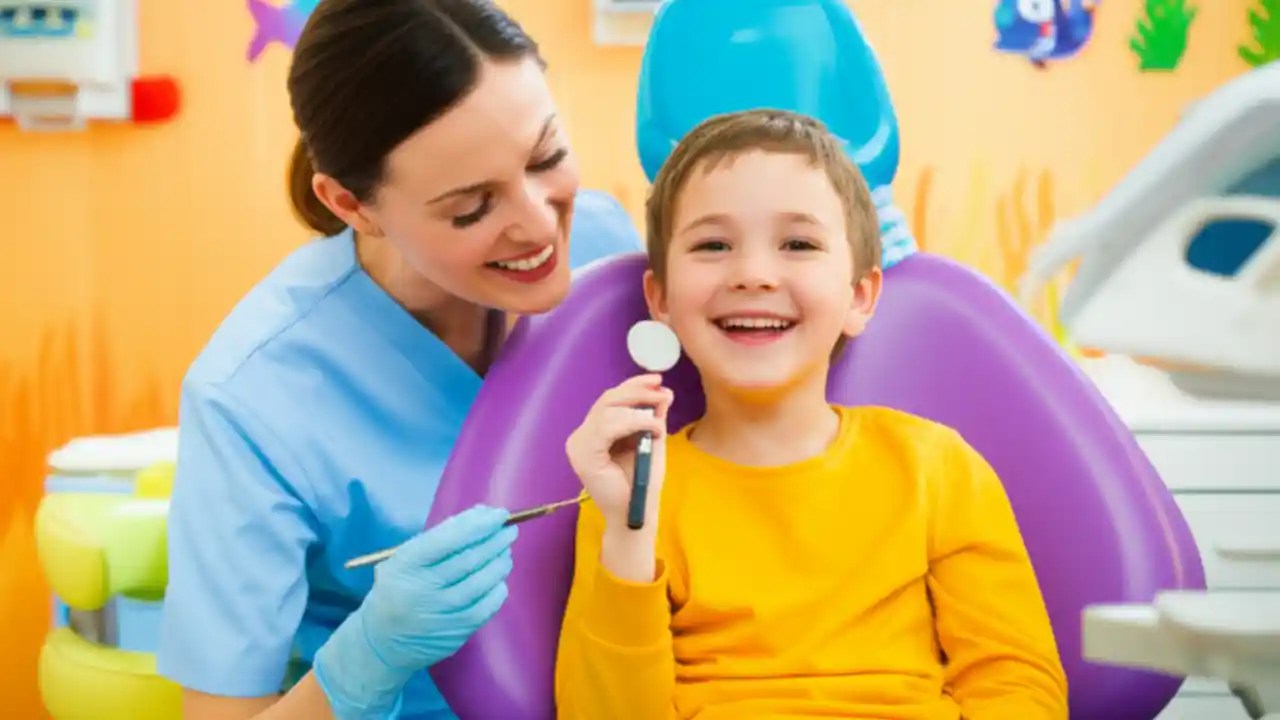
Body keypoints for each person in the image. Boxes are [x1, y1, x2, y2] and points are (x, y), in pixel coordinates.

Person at [156, 1, 637, 718]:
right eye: (472, 207)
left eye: (546, 157)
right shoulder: (252, 398)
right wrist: (367, 661)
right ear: (353, 204)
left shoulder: (608, 250)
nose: (540, 224)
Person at [555, 109, 1070, 719]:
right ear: (661, 300)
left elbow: (1017, 685)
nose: (753, 274)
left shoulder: (938, 470)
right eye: (713, 245)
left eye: (798, 244)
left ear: (859, 295)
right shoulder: (629, 496)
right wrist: (629, 534)